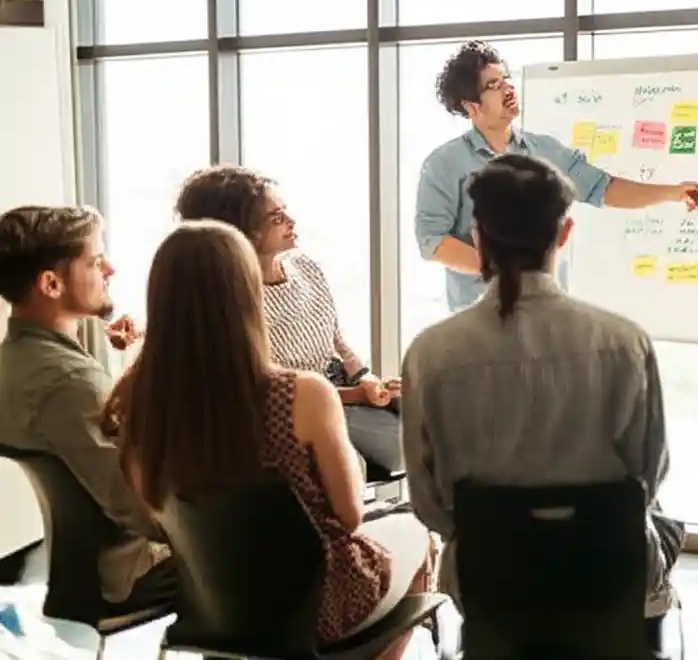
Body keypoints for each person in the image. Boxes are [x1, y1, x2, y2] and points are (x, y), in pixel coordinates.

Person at [110, 220, 430, 654]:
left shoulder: (137, 400)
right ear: (246, 296)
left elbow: (149, 512)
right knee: (416, 533)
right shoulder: (302, 393)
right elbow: (350, 515)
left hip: (211, 601)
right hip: (315, 604)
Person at [401, 154, 683, 617]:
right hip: (610, 580)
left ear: (477, 237)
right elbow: (648, 478)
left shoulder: (431, 354)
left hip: (489, 589)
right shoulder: (624, 342)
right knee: (663, 525)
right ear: (565, 234)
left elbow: (429, 505)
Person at [416, 39, 698, 312]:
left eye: (507, 79)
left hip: (546, 315)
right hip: (479, 318)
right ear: (472, 106)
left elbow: (603, 189)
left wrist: (673, 192)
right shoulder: (444, 164)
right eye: (494, 85)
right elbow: (432, 241)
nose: (508, 89)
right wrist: (502, 269)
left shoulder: (545, 150)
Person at [175, 166, 405, 474]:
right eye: (277, 218)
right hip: (298, 408)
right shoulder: (232, 302)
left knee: (431, 430)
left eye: (286, 212)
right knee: (392, 453)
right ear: (242, 231)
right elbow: (266, 393)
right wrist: (354, 396)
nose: (291, 222)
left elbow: (336, 339)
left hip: (339, 388)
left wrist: (365, 378)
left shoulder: (304, 266)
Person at [0, 205, 174, 610]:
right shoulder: (68, 382)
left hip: (72, 566)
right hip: (129, 575)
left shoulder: (16, 360)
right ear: (51, 284)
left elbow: (83, 436)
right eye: (96, 261)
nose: (110, 269)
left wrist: (127, 360)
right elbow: (144, 513)